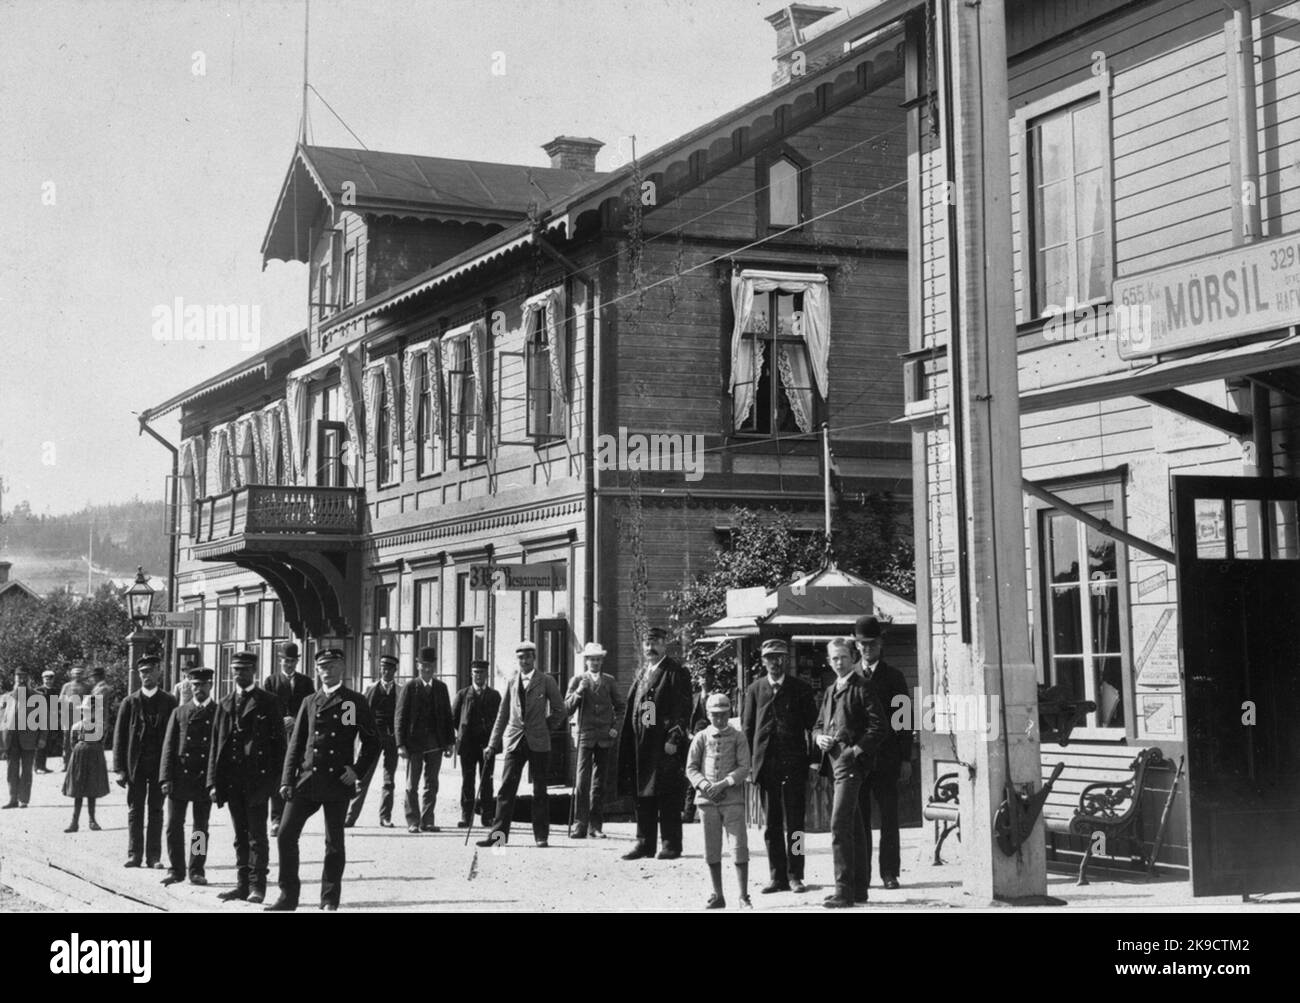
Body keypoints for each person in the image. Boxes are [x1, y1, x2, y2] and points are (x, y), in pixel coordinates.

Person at [266, 648, 380, 912]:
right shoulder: (310, 701)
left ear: (342, 668)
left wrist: (356, 770)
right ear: (316, 670)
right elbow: (296, 745)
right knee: (285, 835)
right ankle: (287, 896)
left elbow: (370, 741)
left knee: (334, 843)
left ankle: (329, 899)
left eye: (332, 666)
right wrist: (286, 780)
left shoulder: (351, 702)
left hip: (337, 782)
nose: (326, 672)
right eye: (322, 667)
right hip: (307, 780)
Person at [207, 649, 285, 904]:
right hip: (232, 781)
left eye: (244, 669)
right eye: (235, 669)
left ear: (254, 671)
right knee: (239, 836)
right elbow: (216, 746)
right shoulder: (224, 703)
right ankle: (241, 885)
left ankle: (257, 886)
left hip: (257, 780)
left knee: (257, 836)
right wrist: (212, 782)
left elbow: (279, 745)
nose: (239, 674)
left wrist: (277, 781)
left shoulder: (268, 701)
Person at [742, 637, 819, 895]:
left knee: (795, 824)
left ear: (786, 660)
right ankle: (777, 877)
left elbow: (814, 726)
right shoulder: (755, 689)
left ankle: (796, 875)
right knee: (772, 825)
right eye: (770, 658)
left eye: (780, 657)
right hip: (767, 768)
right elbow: (747, 729)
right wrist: (748, 765)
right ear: (763, 661)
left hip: (794, 766)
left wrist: (813, 761)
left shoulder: (800, 689)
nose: (775, 662)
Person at [813, 637, 886, 908]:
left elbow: (879, 727)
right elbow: (818, 724)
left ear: (853, 657)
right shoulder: (830, 689)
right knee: (853, 823)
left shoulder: (863, 687)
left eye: (844, 657)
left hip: (851, 765)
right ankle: (859, 889)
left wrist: (855, 751)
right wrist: (819, 737)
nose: (839, 662)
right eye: (834, 658)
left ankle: (843, 891)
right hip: (833, 764)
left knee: (839, 824)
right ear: (828, 661)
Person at [476, 641, 565, 848]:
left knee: (540, 791)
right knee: (506, 789)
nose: (524, 661)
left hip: (539, 743)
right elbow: (502, 715)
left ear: (534, 658)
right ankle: (498, 837)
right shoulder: (512, 682)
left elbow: (560, 710)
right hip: (515, 741)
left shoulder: (546, 681)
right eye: (520, 658)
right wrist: (492, 744)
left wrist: (545, 728)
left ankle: (541, 837)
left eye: (527, 657)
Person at [618, 625, 691, 860]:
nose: (650, 648)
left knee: (667, 794)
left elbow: (683, 709)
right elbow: (643, 708)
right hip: (642, 745)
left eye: (655, 643)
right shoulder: (643, 673)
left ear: (664, 644)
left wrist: (674, 738)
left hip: (664, 745)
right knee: (643, 794)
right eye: (647, 644)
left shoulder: (675, 672)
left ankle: (671, 845)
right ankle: (644, 843)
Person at [853, 615, 913, 891]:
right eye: (863, 644)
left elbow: (904, 721)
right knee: (860, 818)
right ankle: (862, 873)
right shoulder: (850, 676)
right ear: (856, 645)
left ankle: (889, 872)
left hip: (888, 759)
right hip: (859, 759)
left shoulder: (894, 677)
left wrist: (906, 758)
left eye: (872, 643)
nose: (867, 648)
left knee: (889, 818)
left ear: (881, 643)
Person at [686, 692, 752, 909]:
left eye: (724, 714)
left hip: (732, 800)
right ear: (708, 714)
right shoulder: (701, 737)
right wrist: (706, 786)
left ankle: (743, 896)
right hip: (707, 802)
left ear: (729, 713)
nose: (720, 719)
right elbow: (691, 768)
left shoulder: (738, 737)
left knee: (739, 846)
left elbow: (744, 767)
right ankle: (718, 894)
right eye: (715, 715)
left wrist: (724, 784)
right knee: (711, 848)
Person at [112, 655, 178, 867]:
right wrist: (119, 769)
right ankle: (134, 854)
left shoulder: (169, 702)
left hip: (159, 765)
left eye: (150, 671)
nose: (146, 676)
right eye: (143, 672)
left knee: (156, 810)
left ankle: (154, 856)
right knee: (135, 810)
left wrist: (171, 769)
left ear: (159, 672)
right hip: (136, 765)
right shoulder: (130, 702)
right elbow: (119, 737)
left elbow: (175, 736)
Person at [159, 666, 216, 886]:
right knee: (173, 826)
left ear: (211, 685)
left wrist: (214, 782)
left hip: (204, 779)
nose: (198, 689)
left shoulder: (218, 713)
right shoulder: (180, 712)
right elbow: (168, 747)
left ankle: (196, 870)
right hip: (180, 777)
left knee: (200, 829)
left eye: (202, 685)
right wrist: (165, 778)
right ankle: (176, 869)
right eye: (194, 685)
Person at [565, 642, 625, 839]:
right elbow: (567, 708)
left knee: (599, 783)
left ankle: (595, 826)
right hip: (585, 735)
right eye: (592, 659)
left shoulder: (609, 681)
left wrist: (615, 728)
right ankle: (579, 825)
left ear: (602, 661)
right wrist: (579, 692)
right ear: (586, 661)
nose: (595, 663)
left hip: (605, 737)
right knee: (582, 781)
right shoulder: (578, 680)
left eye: (598, 659)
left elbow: (621, 707)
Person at [395, 647, 455, 833]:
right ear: (417, 665)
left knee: (432, 783)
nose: (427, 669)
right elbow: (400, 717)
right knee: (412, 784)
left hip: (435, 744)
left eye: (430, 665)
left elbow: (447, 717)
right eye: (424, 665)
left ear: (435, 666)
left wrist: (449, 743)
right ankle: (413, 820)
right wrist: (400, 744)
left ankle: (428, 820)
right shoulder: (410, 687)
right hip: (414, 744)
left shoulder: (441, 688)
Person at [264, 642, 314, 836]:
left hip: (299, 734)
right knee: (278, 775)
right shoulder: (271, 681)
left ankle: (289, 819)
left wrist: (295, 719)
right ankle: (276, 819)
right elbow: (265, 708)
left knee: (296, 774)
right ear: (280, 661)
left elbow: (311, 706)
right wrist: (281, 720)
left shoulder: (306, 682)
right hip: (277, 736)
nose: (289, 664)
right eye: (286, 661)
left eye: (292, 661)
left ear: (297, 662)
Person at [345, 654, 400, 828]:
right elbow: (355, 708)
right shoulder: (369, 689)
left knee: (389, 781)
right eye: (383, 668)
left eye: (389, 669)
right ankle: (350, 816)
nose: (386, 672)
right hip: (372, 740)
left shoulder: (400, 690)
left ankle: (385, 817)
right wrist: (350, 729)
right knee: (362, 778)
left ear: (395, 670)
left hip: (392, 739)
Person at [451, 659, 500, 828]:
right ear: (471, 674)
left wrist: (493, 743)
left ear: (487, 674)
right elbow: (454, 718)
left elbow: (500, 719)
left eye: (481, 673)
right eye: (475, 673)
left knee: (487, 781)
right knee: (468, 781)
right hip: (468, 745)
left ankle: (487, 817)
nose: (478, 676)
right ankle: (466, 817)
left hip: (487, 745)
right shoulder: (463, 694)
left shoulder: (494, 696)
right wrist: (462, 735)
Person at [62, 692, 110, 832]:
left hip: (94, 759)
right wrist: (80, 750)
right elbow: (73, 743)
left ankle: (92, 820)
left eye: (91, 710)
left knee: (92, 789)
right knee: (78, 790)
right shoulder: (76, 726)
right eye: (85, 710)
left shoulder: (100, 726)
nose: (87, 713)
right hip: (79, 759)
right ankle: (74, 822)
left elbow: (102, 741)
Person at [2, 670, 44, 808]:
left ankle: (23, 800)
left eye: (24, 677)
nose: (21, 680)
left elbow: (44, 720)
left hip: (29, 738)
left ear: (28, 679)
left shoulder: (37, 697)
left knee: (27, 770)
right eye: (19, 676)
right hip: (11, 738)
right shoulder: (6, 697)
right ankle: (13, 799)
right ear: (14, 678)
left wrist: (42, 738)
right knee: (11, 770)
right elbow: (2, 720)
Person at [681, 673, 710, 824]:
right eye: (702, 677)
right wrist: (688, 734)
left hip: (710, 740)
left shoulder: (715, 697)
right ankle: (688, 813)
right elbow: (686, 717)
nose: (704, 680)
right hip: (693, 740)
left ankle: (707, 813)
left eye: (707, 677)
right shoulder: (694, 698)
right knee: (692, 774)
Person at [59, 667, 90, 770]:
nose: (77, 676)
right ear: (72, 675)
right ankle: (67, 763)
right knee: (67, 739)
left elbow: (91, 700)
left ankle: (81, 763)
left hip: (81, 715)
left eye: (80, 673)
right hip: (68, 715)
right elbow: (60, 699)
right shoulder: (66, 686)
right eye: (76, 674)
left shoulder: (87, 686)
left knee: (81, 738)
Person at [35, 669, 58, 773]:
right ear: (43, 679)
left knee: (47, 743)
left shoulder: (55, 691)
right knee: (40, 743)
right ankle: (37, 766)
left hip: (51, 720)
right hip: (40, 720)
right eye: (46, 679)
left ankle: (43, 766)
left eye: (50, 679)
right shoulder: (38, 690)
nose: (48, 681)